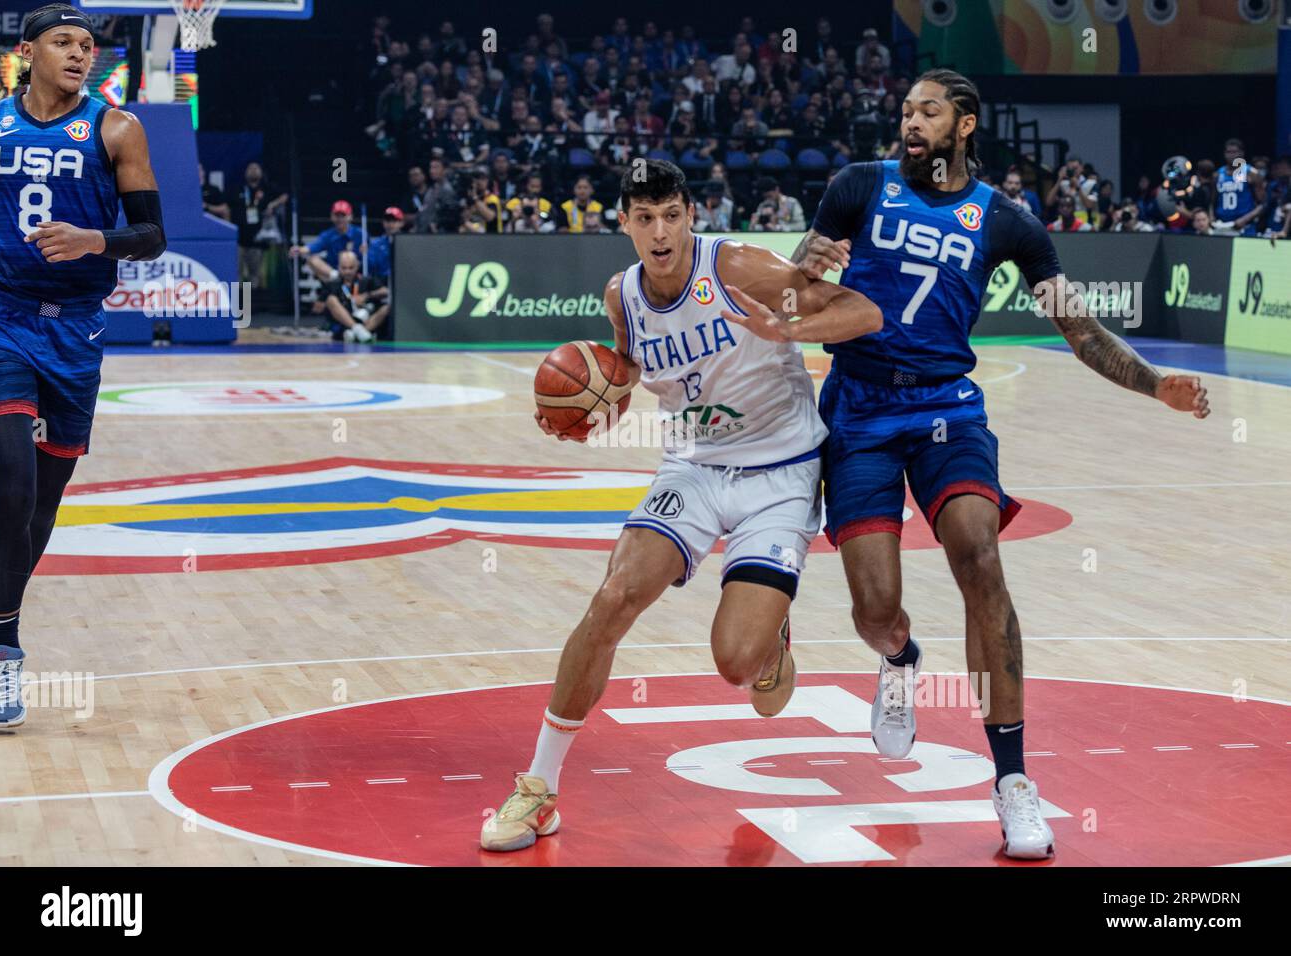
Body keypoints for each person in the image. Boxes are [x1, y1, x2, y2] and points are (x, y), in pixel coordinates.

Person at [792, 68, 1210, 860]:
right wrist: (801, 282)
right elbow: (795, 295)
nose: (910, 123)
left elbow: (1079, 331)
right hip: (859, 408)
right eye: (905, 111)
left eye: (927, 112)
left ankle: (1013, 782)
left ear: (966, 123)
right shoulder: (856, 187)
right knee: (875, 612)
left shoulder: (1010, 222)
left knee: (980, 559)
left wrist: (1156, 384)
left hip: (948, 409)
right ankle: (900, 658)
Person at [479, 159, 882, 853]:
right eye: (644, 218)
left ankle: (769, 641)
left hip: (781, 475)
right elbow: (634, 370)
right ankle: (538, 790)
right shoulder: (622, 296)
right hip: (692, 467)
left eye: (671, 215)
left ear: (691, 214)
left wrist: (792, 328)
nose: (659, 231)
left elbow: (861, 312)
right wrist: (594, 401)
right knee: (612, 599)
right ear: (626, 224)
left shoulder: (741, 269)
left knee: (738, 668)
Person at [0, 4, 166, 727]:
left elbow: (153, 235)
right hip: (1, 318)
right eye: (63, 42)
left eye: (87, 44)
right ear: (27, 50)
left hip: (77, 334)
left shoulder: (116, 128)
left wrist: (96, 241)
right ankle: (4, 653)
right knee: (9, 477)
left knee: (40, 505)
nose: (79, 54)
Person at [231, 161, 288, 291]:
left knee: (254, 276)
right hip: (238, 239)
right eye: (250, 168)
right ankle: (238, 307)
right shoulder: (238, 188)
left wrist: (272, 205)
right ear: (245, 172)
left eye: (256, 168)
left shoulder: (267, 188)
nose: (253, 171)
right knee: (237, 275)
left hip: (257, 240)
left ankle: (250, 308)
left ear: (261, 172)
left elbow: (284, 196)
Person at [289, 200, 364, 284]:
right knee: (312, 259)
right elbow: (313, 247)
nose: (339, 219)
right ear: (332, 216)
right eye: (337, 215)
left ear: (350, 216)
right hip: (334, 273)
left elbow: (368, 255)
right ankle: (337, 278)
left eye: (343, 215)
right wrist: (299, 249)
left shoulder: (360, 234)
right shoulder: (328, 235)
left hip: (355, 273)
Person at [324, 250, 388, 343]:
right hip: (344, 323)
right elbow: (320, 308)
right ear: (338, 267)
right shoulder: (332, 284)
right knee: (331, 299)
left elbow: (385, 291)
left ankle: (358, 333)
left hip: (367, 320)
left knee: (386, 308)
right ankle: (358, 330)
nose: (347, 272)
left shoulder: (367, 280)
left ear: (357, 266)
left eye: (351, 268)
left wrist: (366, 296)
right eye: (344, 268)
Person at [1214, 138, 1263, 236]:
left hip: (1244, 226)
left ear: (1241, 153)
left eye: (1234, 152)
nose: (1231, 155)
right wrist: (1211, 217)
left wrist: (1244, 219)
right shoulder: (1218, 174)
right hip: (1222, 225)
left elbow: (1263, 204)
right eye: (1228, 152)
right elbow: (1211, 202)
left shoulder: (1251, 173)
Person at [366, 206, 403, 282]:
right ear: (383, 222)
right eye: (388, 220)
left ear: (401, 223)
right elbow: (371, 267)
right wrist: (364, 254)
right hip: (381, 281)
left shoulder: (408, 242)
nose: (390, 224)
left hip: (402, 281)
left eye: (394, 221)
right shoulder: (375, 243)